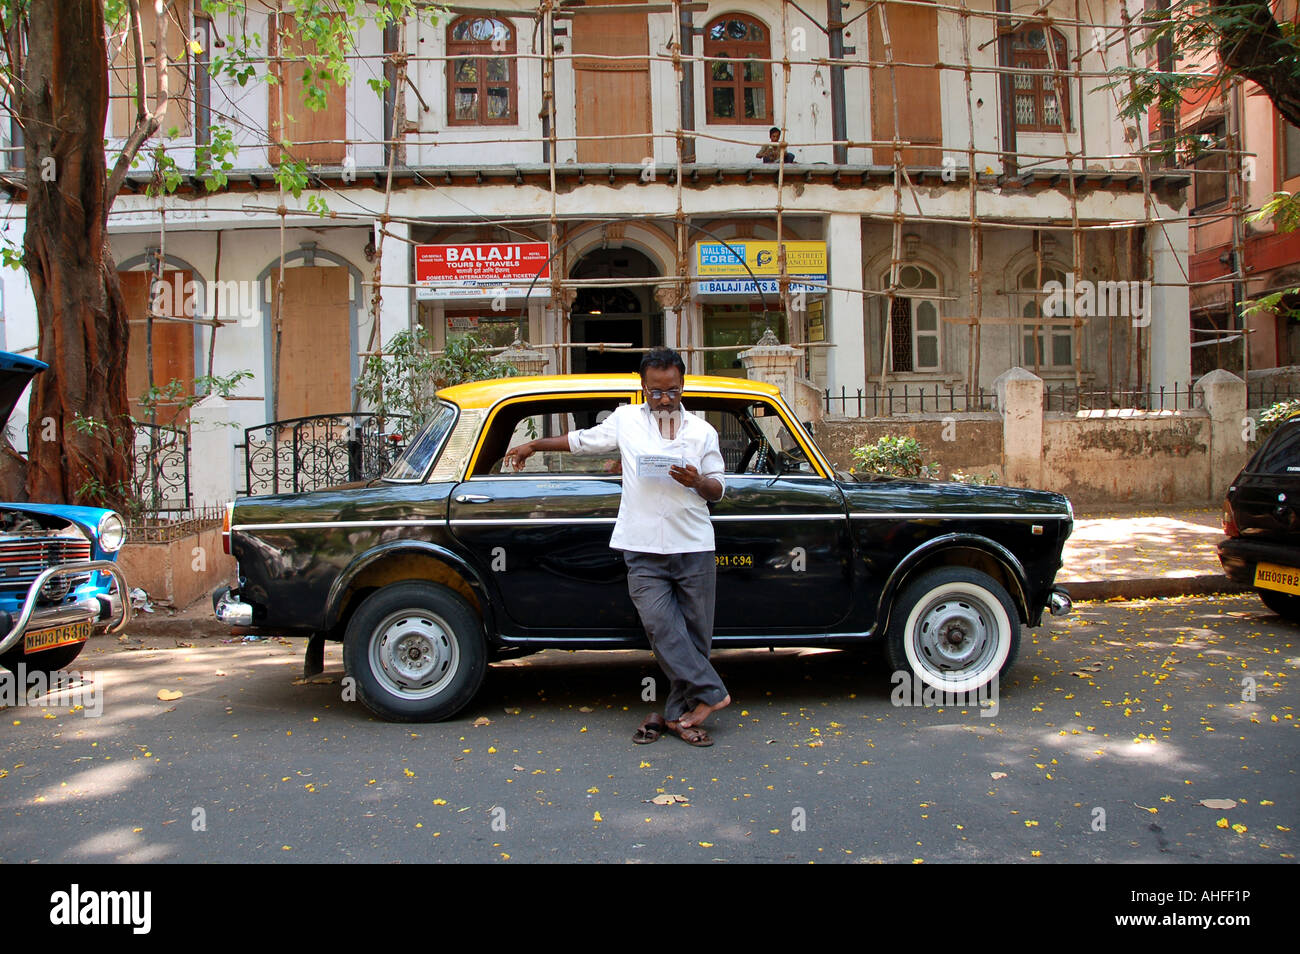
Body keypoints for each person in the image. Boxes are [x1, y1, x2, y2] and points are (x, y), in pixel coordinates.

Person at [503, 348, 732, 746]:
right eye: (656, 391)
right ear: (642, 387)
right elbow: (581, 441)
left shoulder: (702, 431)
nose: (664, 399)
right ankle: (714, 694)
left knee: (694, 638)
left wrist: (696, 481)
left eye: (672, 391)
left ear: (683, 386)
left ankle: (681, 715)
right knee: (661, 627)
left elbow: (718, 489)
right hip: (641, 546)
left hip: (693, 544)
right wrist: (534, 445)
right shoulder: (625, 419)